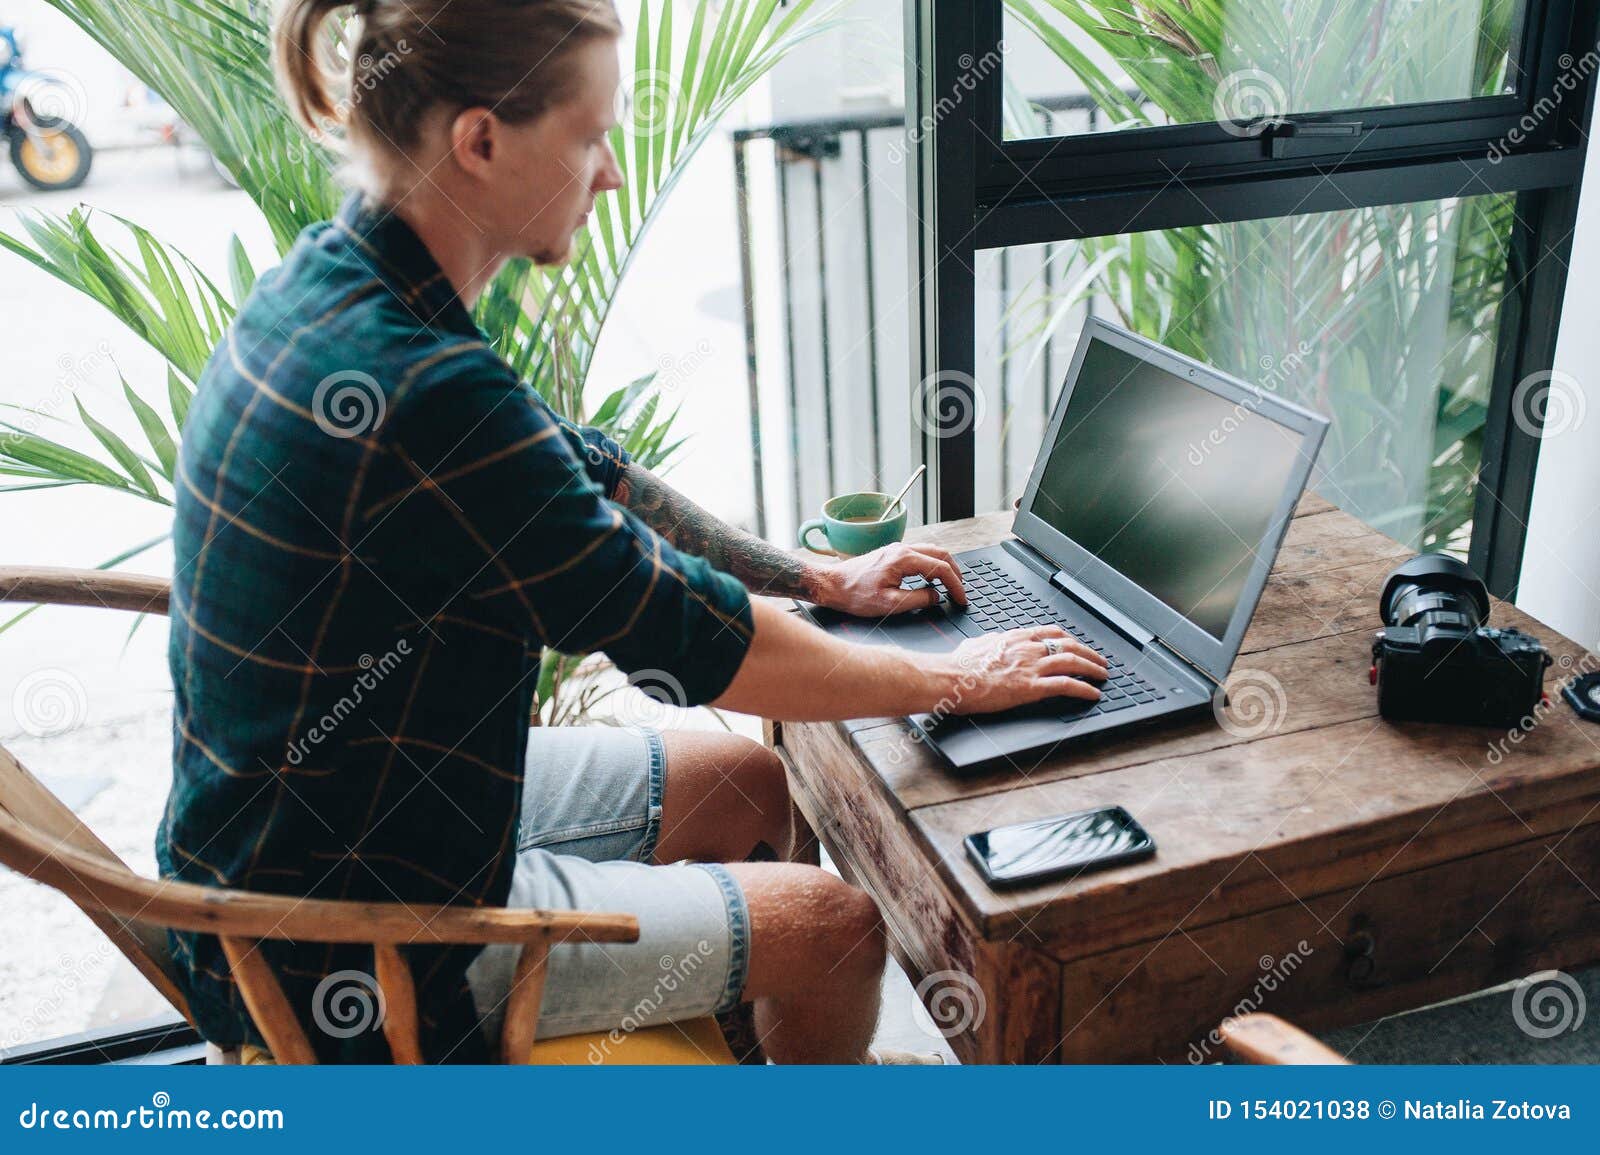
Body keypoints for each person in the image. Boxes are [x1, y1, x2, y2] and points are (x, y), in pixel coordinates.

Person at [157, 0, 1106, 1064]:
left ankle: (738, 1054)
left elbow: (593, 477)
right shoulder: (428, 391)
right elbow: (704, 645)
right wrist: (960, 681)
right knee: (839, 930)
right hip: (352, 939)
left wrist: (815, 579)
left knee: (748, 782)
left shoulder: (344, 286)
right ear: (480, 142)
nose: (609, 172)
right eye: (593, 135)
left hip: (336, 819)